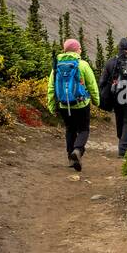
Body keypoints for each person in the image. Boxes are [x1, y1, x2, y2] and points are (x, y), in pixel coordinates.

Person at [47, 38, 99, 171]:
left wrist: (52, 106)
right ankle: (77, 150)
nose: (81, 50)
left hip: (64, 105)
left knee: (70, 129)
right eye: (80, 48)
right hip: (81, 104)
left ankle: (71, 159)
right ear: (76, 49)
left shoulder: (56, 65)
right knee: (83, 129)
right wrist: (96, 100)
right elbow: (92, 85)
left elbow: (51, 88)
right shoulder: (82, 65)